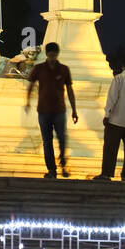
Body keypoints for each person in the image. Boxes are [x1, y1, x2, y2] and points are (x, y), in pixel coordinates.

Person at [26, 42, 78, 178]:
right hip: (43, 110)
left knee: (62, 138)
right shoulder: (39, 68)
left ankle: (63, 162)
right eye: (50, 55)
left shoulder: (64, 69)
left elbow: (70, 89)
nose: (53, 58)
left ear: (57, 54)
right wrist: (27, 101)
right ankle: (51, 169)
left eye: (54, 55)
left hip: (59, 109)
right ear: (47, 54)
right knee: (47, 141)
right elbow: (31, 85)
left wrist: (74, 109)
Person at [92, 55, 125, 181]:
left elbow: (112, 99)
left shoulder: (119, 79)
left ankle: (107, 173)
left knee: (111, 148)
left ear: (123, 65)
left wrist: (107, 115)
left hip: (116, 120)